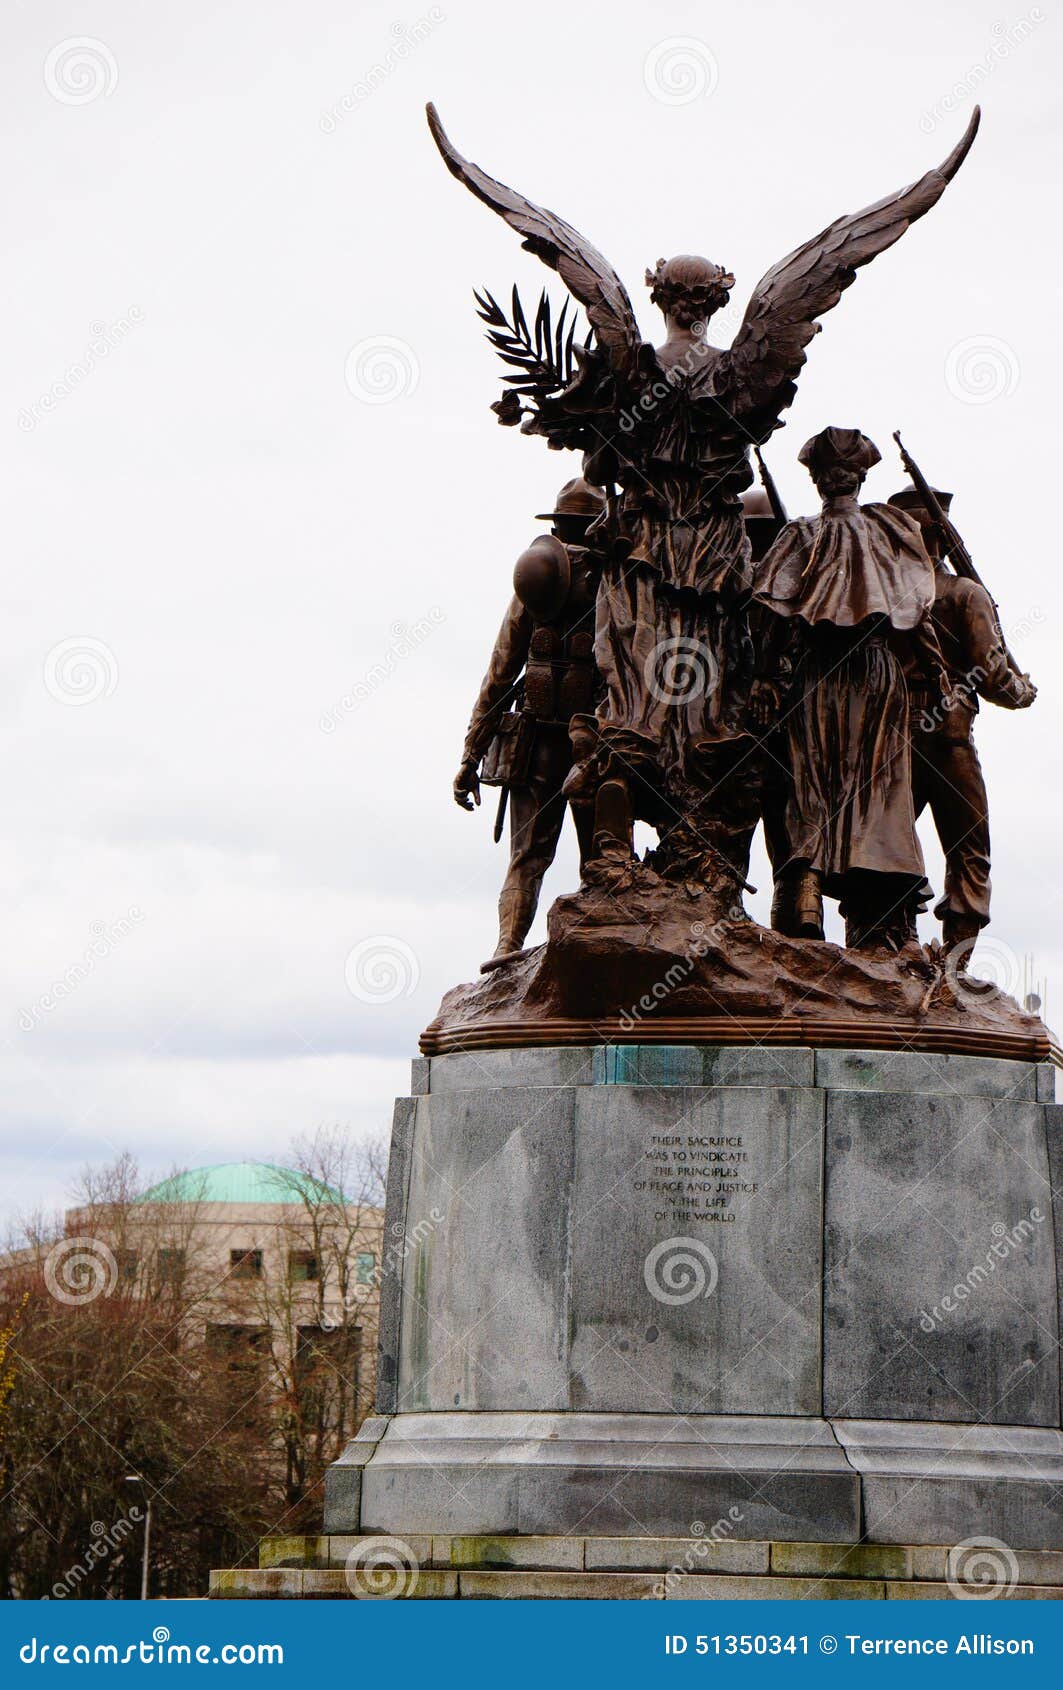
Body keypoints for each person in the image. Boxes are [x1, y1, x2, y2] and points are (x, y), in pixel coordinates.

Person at [751, 427, 949, 951]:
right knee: (876, 793)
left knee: (811, 785)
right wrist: (939, 676)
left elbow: (773, 617)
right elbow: (918, 615)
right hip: (878, 675)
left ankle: (807, 894)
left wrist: (766, 674)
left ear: (817, 480)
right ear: (860, 477)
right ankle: (878, 918)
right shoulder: (892, 532)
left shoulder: (800, 536)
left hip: (817, 676)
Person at [453, 478, 605, 969]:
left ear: (557, 526)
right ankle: (592, 953)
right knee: (601, 860)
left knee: (527, 858)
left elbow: (499, 674)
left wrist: (469, 755)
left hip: (546, 743)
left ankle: (507, 948)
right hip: (595, 746)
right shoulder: (619, 582)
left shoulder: (535, 581)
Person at [887, 484, 1036, 958]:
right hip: (949, 740)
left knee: (889, 845)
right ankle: (957, 960)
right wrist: (1023, 690)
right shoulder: (964, 593)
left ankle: (893, 946)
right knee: (970, 849)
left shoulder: (886, 595)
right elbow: (992, 675)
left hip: (892, 739)